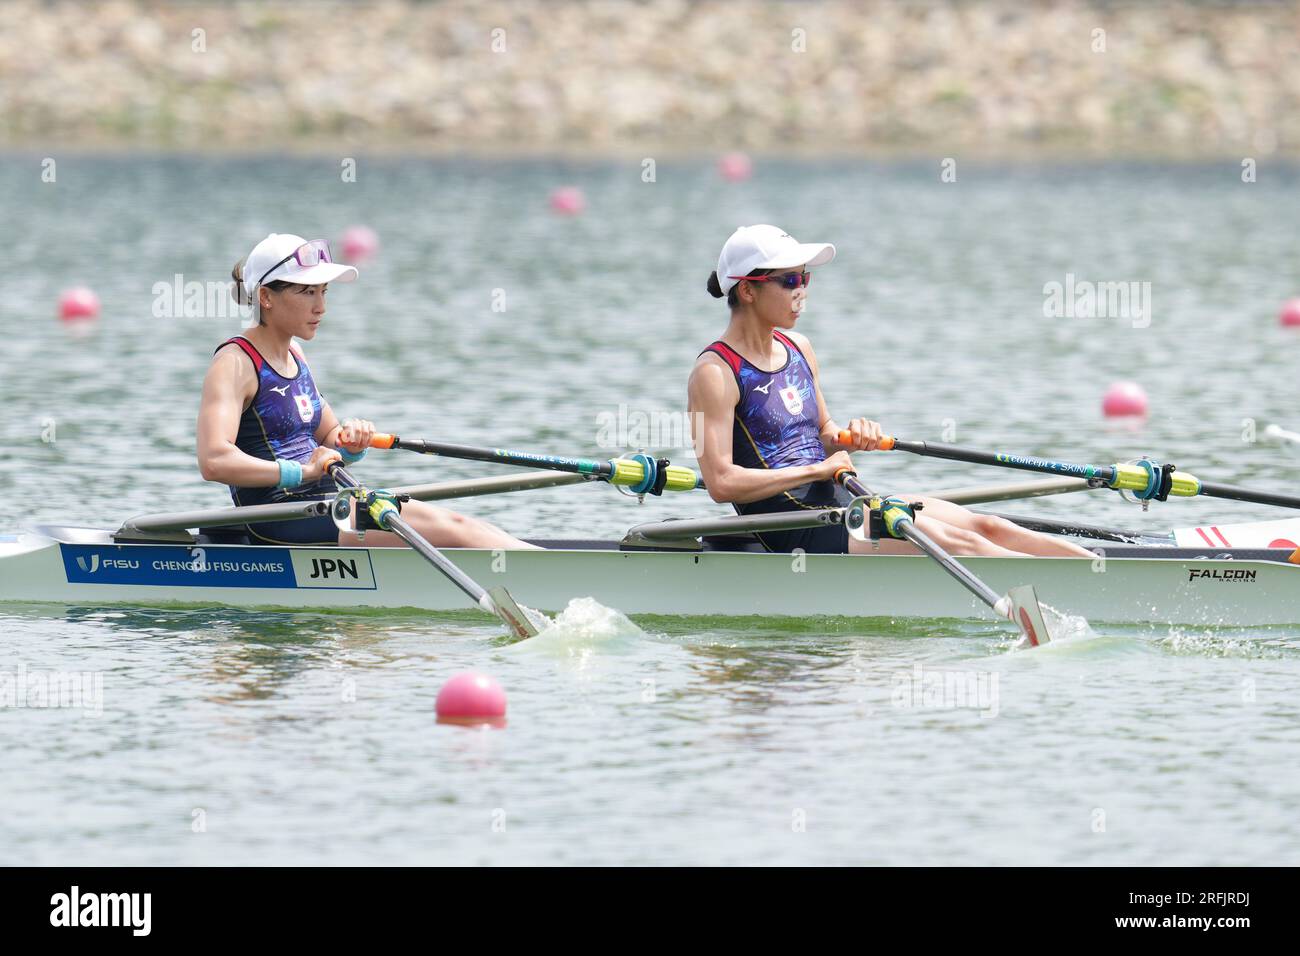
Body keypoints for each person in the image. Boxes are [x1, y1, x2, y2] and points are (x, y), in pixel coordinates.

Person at [687, 224, 1093, 558]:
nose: (802, 291)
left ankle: (1098, 572)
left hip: (839, 503)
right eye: (789, 279)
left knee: (987, 525)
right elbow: (721, 482)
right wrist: (817, 470)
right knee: (961, 544)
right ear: (747, 290)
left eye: (805, 278)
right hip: (792, 528)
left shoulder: (799, 348)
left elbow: (824, 434)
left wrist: (850, 437)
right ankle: (1059, 601)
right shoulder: (715, 373)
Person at [197, 232, 530, 550]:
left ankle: (543, 561)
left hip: (327, 505)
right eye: (307, 292)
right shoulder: (234, 364)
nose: (321, 307)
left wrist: (352, 441)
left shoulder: (295, 354)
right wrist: (304, 471)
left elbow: (330, 436)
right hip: (283, 519)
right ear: (266, 297)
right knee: (455, 528)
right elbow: (214, 460)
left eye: (323, 292)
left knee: (470, 527)